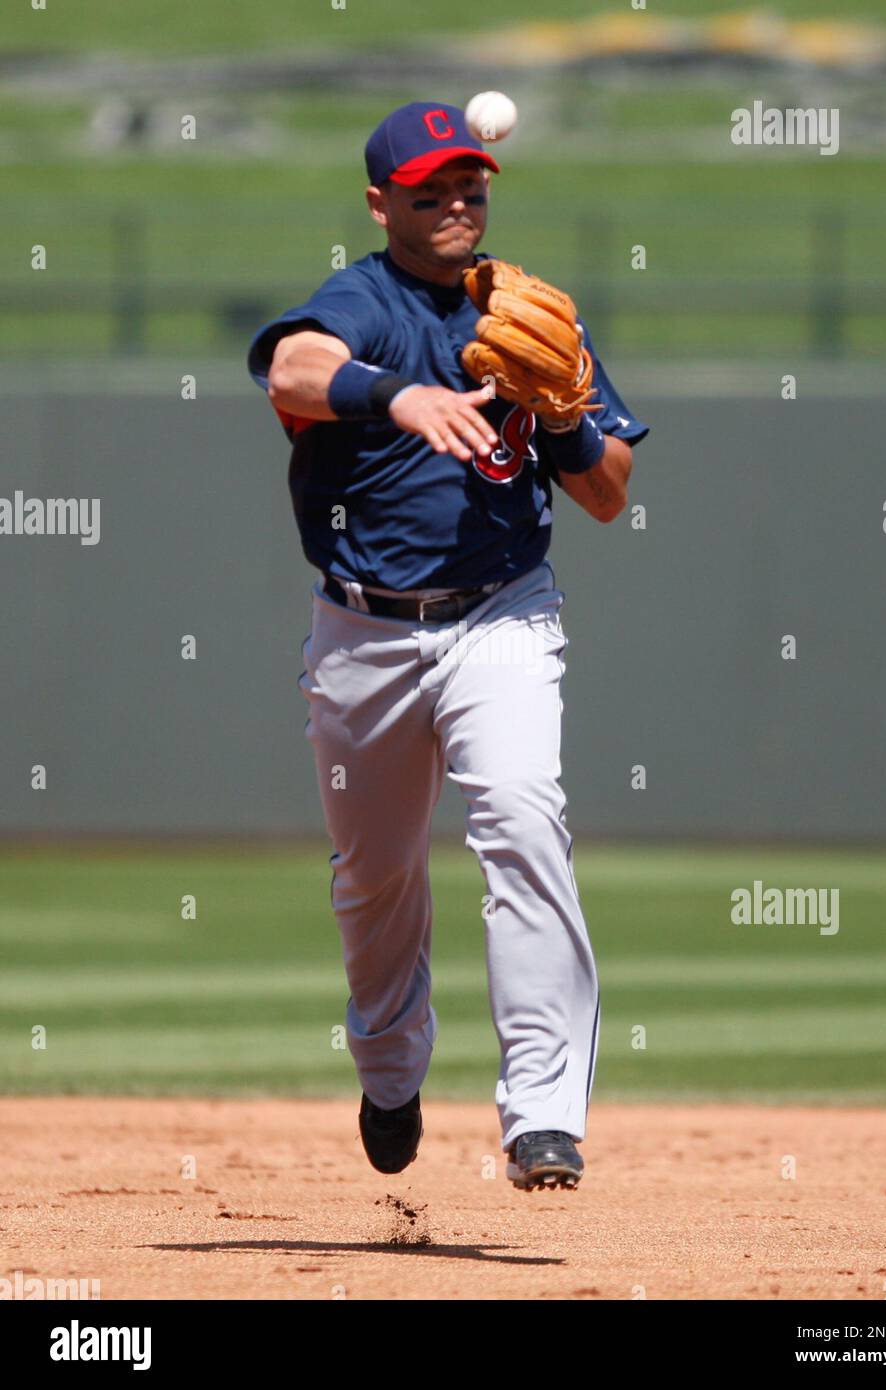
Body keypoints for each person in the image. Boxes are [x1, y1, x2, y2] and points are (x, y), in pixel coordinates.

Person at [247, 101, 649, 1191]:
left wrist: (563, 414)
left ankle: (541, 1115)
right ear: (381, 204)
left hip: (502, 612)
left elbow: (606, 495)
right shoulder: (362, 300)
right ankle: (387, 1070)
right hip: (362, 632)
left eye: (469, 183)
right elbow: (290, 370)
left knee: (522, 818)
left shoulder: (530, 312)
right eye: (428, 190)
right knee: (376, 881)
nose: (457, 201)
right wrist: (401, 395)